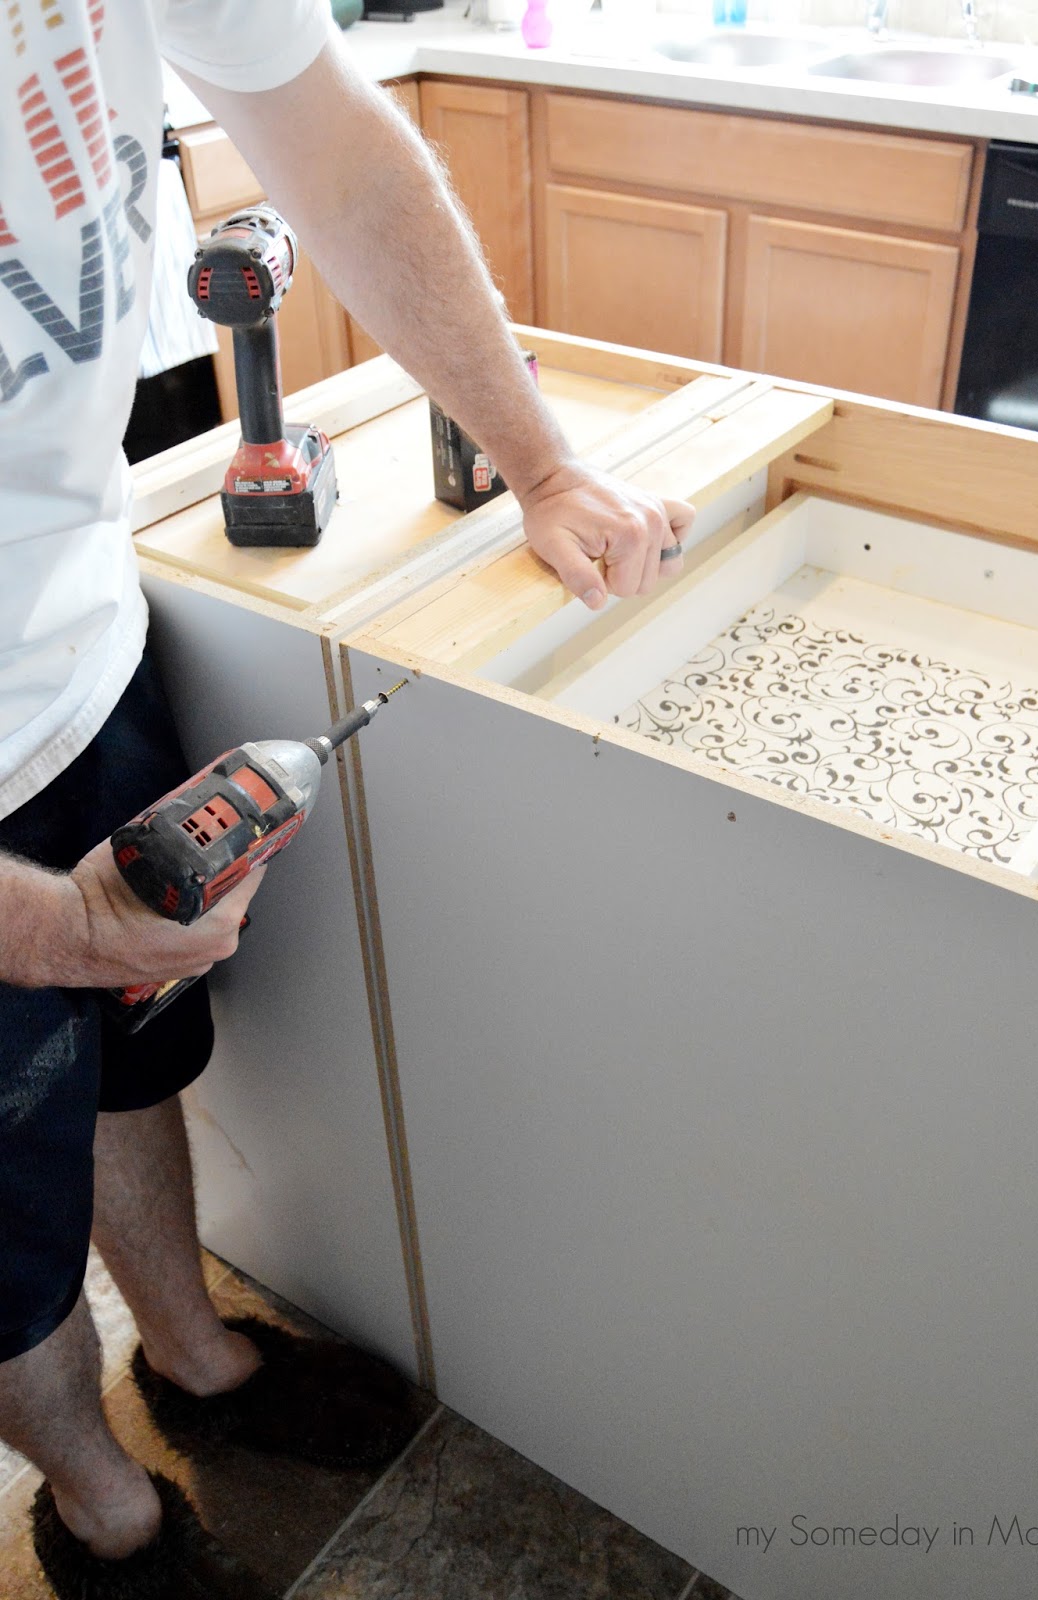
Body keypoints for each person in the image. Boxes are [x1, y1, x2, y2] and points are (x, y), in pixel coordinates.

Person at [0, 2, 694, 1596]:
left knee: (126, 1064)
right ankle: (101, 1513)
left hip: (71, 651)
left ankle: (189, 1361)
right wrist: (40, 929)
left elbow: (339, 159)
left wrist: (542, 460)